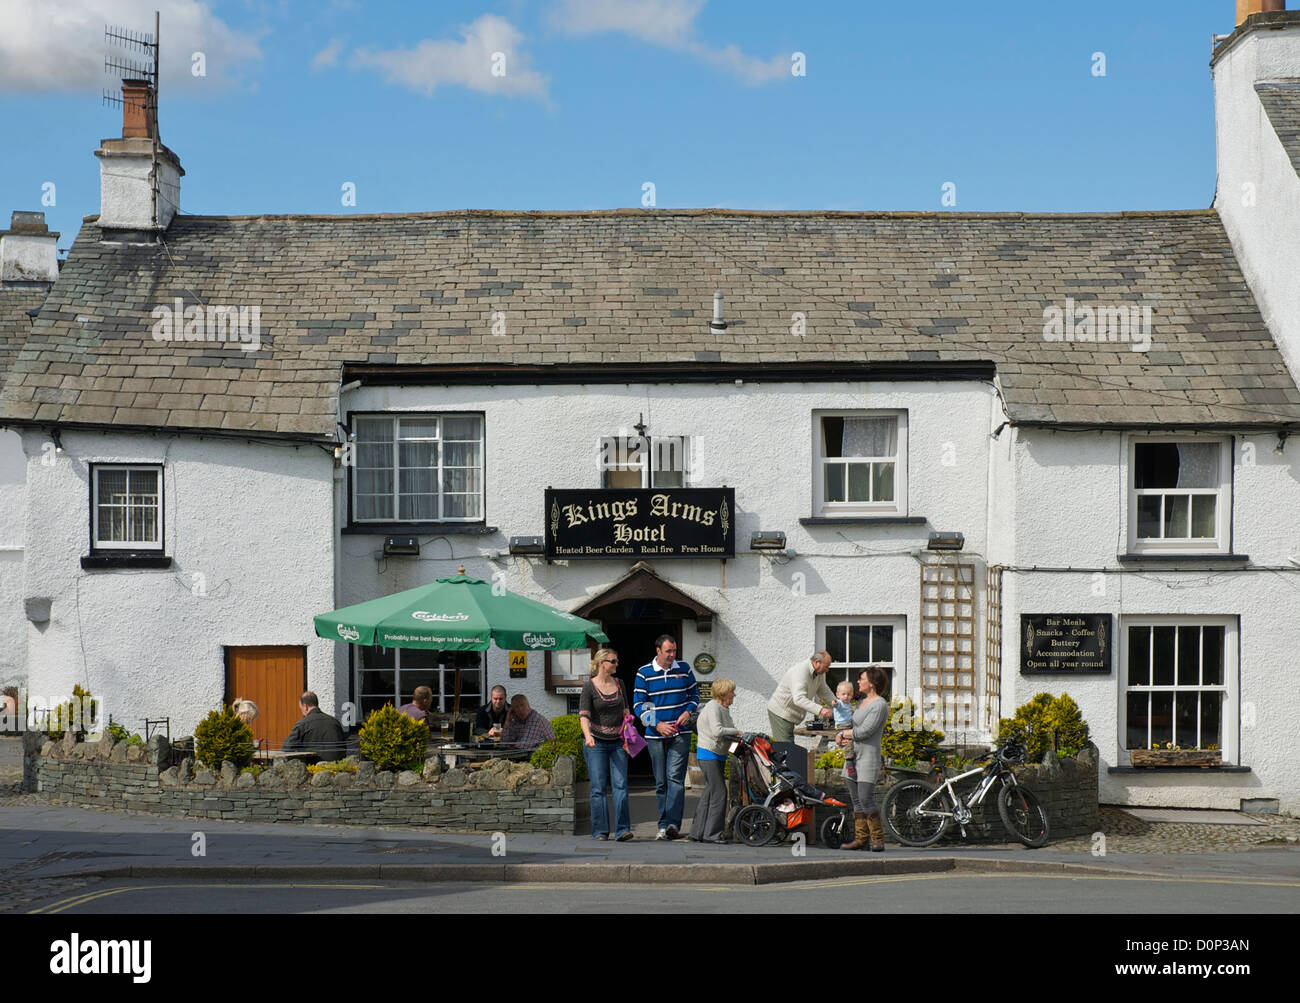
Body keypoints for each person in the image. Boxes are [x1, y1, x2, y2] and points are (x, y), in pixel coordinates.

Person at [633, 634, 699, 840]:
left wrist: (688, 712)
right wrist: (657, 724)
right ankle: (663, 822)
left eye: (674, 651)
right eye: (668, 651)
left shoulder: (685, 669)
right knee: (661, 782)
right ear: (658, 651)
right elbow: (639, 704)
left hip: (681, 733)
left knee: (675, 780)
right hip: (655, 736)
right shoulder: (644, 673)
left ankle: (671, 825)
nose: (672, 655)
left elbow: (694, 695)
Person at [579, 648, 632, 842]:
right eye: (613, 661)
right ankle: (600, 831)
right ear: (602, 663)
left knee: (620, 786)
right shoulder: (589, 687)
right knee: (598, 788)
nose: (617, 664)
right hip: (597, 743)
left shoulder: (620, 684)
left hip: (618, 742)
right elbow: (584, 715)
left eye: (617, 661)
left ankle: (622, 830)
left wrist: (627, 738)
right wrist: (588, 736)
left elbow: (626, 712)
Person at [836, 666, 889, 851]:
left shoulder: (880, 705)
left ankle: (878, 839)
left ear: (872, 683)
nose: (858, 682)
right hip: (852, 757)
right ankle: (861, 839)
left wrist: (844, 733)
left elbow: (865, 731)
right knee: (856, 800)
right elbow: (851, 726)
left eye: (862, 679)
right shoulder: (861, 702)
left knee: (866, 798)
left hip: (868, 758)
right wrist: (841, 736)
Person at [689, 678, 741, 844]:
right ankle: (712, 834)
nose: (734, 694)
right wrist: (738, 731)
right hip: (708, 753)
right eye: (732, 691)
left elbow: (727, 730)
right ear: (724, 693)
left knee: (709, 792)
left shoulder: (724, 708)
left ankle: (697, 832)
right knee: (719, 793)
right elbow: (717, 731)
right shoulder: (713, 707)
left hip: (717, 754)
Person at [767, 650, 835, 743]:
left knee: (789, 750)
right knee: (787, 750)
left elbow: (824, 691)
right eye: (826, 666)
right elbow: (799, 699)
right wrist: (821, 710)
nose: (827, 670)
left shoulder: (819, 673)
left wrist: (837, 704)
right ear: (817, 662)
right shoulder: (800, 671)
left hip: (789, 714)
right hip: (780, 712)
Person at [282, 691, 347, 759]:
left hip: (313, 766)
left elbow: (286, 747)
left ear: (305, 706)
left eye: (301, 709)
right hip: (337, 766)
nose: (302, 712)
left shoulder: (302, 724)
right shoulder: (335, 722)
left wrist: (300, 750)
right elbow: (343, 746)